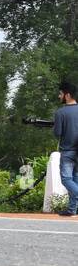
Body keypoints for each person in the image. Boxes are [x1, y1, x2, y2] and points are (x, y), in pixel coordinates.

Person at [54, 79, 78, 216]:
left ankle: (72, 208)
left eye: (60, 94)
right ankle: (72, 209)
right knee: (75, 179)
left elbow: (58, 133)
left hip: (68, 151)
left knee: (66, 179)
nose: (59, 96)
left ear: (67, 95)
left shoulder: (61, 113)